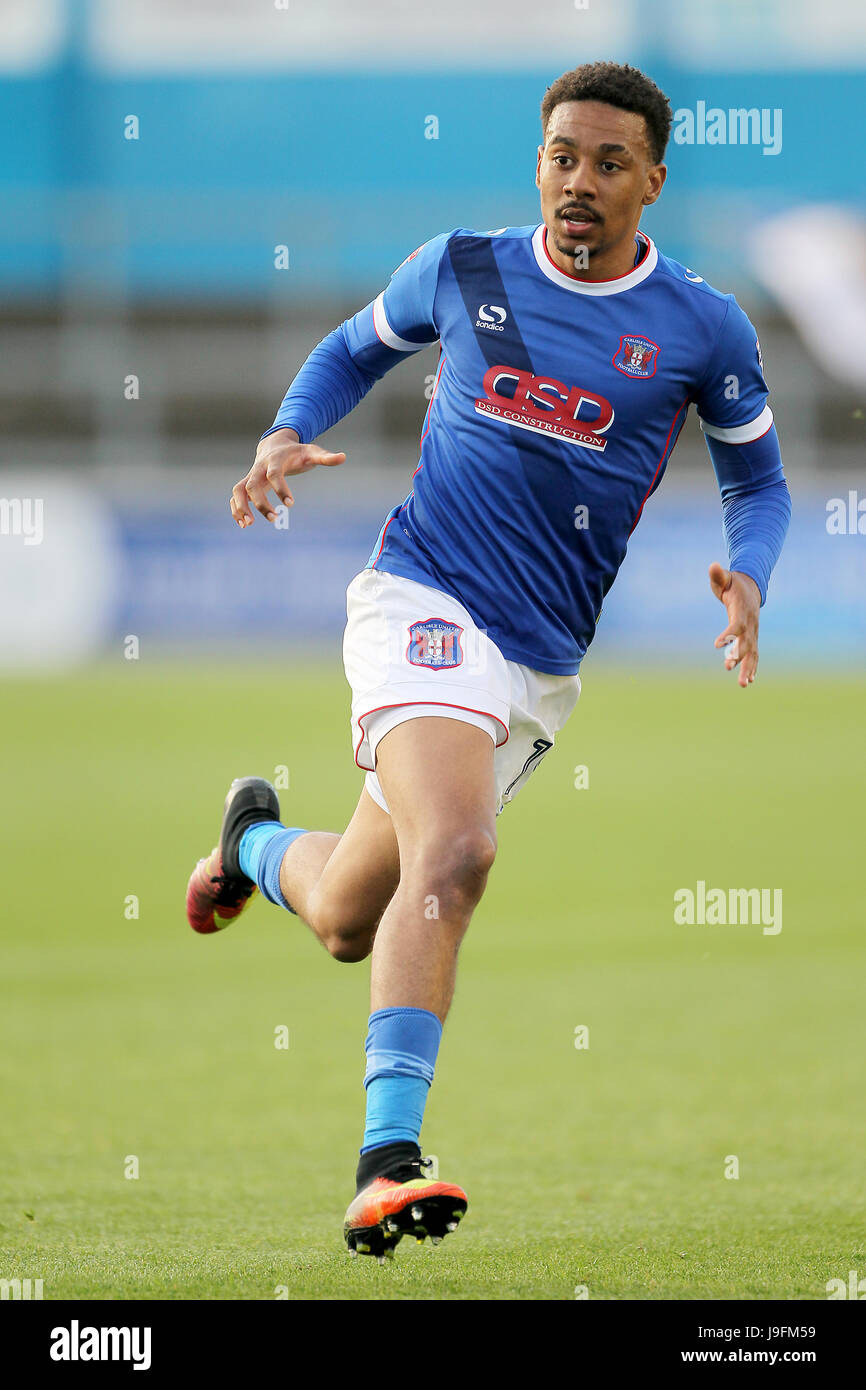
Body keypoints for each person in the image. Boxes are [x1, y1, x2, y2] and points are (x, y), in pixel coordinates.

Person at [185, 61, 791, 1261]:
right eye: (561, 155)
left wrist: (750, 573)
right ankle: (384, 1159)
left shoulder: (700, 326)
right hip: (418, 600)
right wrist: (283, 431)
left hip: (536, 661)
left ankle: (249, 839)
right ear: (538, 164)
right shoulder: (463, 267)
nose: (578, 181)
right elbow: (354, 346)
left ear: (651, 183)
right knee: (456, 848)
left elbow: (757, 479)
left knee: (355, 916)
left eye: (608, 162)